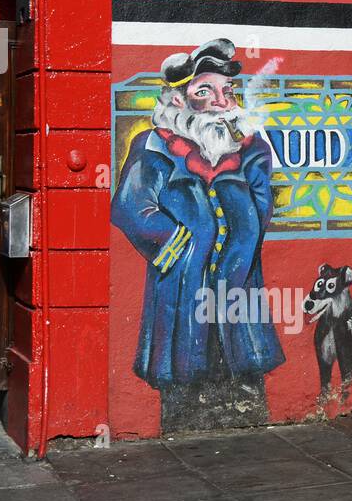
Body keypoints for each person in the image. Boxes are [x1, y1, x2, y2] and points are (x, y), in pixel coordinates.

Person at [111, 38, 283, 430]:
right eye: (205, 91)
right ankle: (184, 417)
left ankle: (245, 414)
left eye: (228, 91)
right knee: (185, 358)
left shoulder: (251, 147)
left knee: (240, 356)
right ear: (176, 100)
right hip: (182, 279)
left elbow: (263, 201)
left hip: (237, 276)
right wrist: (179, 241)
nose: (222, 102)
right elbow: (130, 206)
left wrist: (244, 232)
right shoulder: (153, 146)